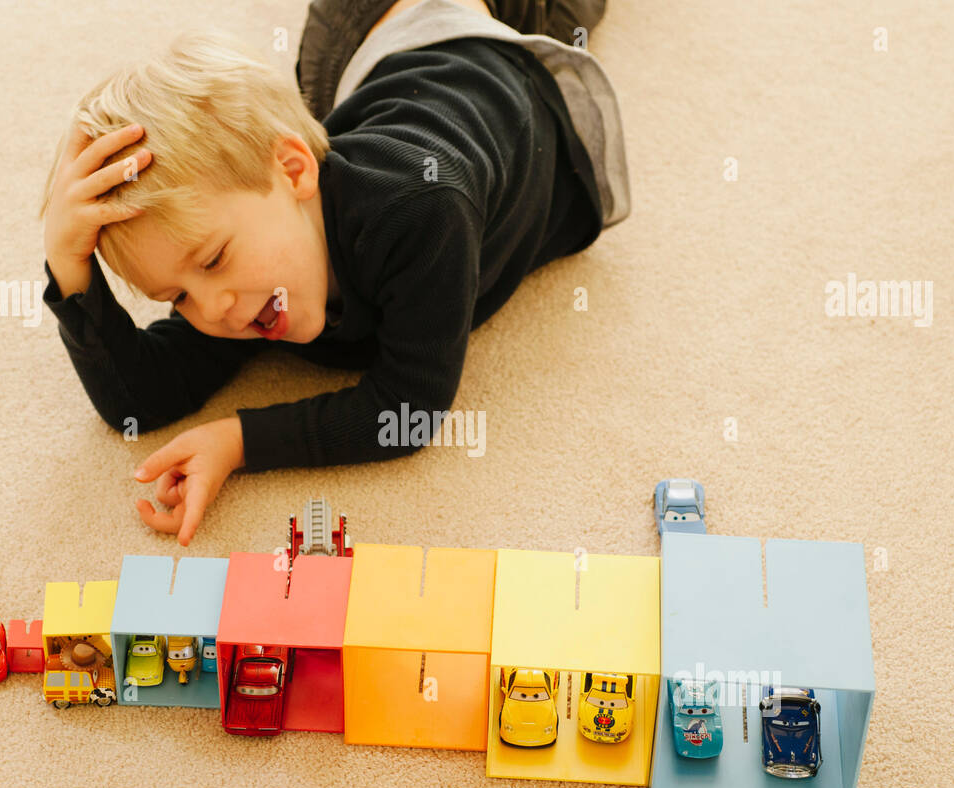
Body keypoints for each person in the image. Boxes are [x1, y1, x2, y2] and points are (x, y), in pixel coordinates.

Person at [38, 0, 628, 545]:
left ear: (294, 171)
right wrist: (70, 267)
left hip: (475, 63)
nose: (210, 307)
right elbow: (136, 398)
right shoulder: (241, 283)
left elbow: (408, 411)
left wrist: (240, 441)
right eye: (177, 296)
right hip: (382, 69)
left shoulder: (424, 212)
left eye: (214, 260)